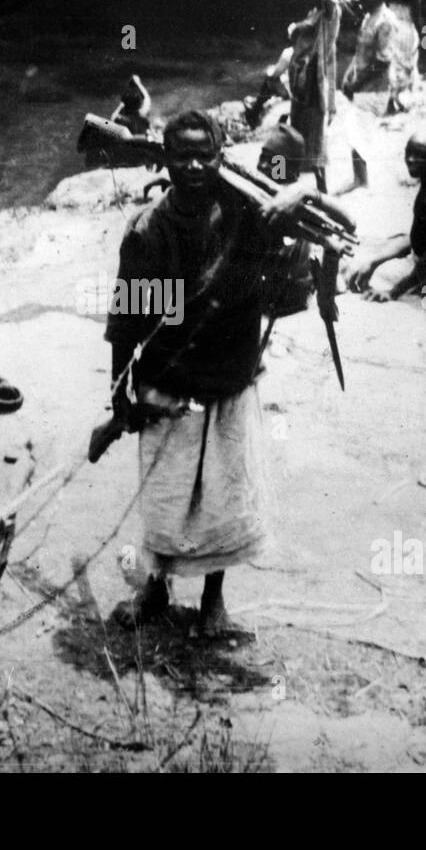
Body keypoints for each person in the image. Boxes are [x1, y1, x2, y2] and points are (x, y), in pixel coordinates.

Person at [105, 111, 326, 636]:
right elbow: (127, 321)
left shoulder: (246, 214)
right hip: (170, 378)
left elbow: (305, 187)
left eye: (206, 154)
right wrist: (120, 395)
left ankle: (213, 603)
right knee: (166, 496)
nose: (195, 165)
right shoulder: (149, 233)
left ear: (222, 157)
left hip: (229, 373)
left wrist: (298, 194)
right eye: (182, 155)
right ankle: (156, 590)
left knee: (225, 496)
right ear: (165, 160)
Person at [344, 130, 426, 304]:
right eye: (409, 152)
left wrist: (393, 292)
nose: (410, 159)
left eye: (420, 155)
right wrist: (374, 261)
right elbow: (419, 238)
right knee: (368, 257)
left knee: (357, 276)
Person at [286, 0, 344, 187]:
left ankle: (322, 189)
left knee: (317, 140)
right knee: (295, 133)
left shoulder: (332, 12)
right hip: (302, 78)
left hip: (316, 80)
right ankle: (289, 180)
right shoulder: (314, 12)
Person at [342, 0, 399, 118]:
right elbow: (361, 50)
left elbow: (383, 61)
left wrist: (357, 83)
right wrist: (350, 75)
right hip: (363, 88)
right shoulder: (369, 17)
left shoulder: (385, 21)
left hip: (375, 90)